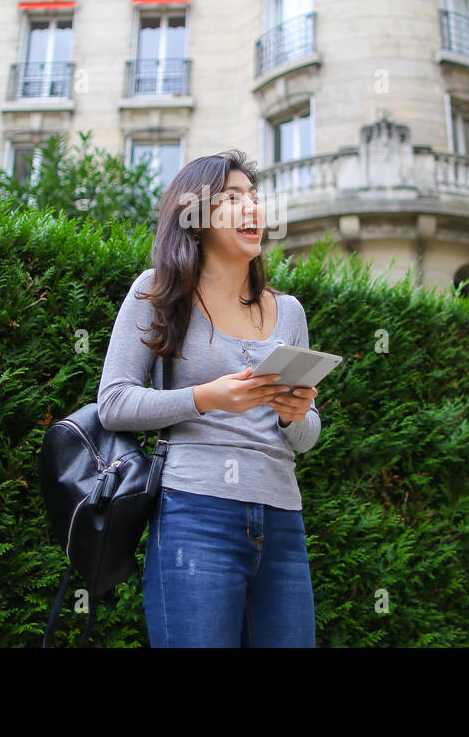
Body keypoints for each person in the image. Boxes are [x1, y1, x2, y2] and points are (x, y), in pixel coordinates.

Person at [97, 150, 322, 647]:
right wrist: (205, 398)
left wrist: (296, 415)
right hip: (193, 513)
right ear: (195, 216)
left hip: (282, 516)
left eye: (255, 197)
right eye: (233, 198)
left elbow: (306, 437)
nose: (252, 208)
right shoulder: (157, 292)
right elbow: (113, 402)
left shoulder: (288, 311)